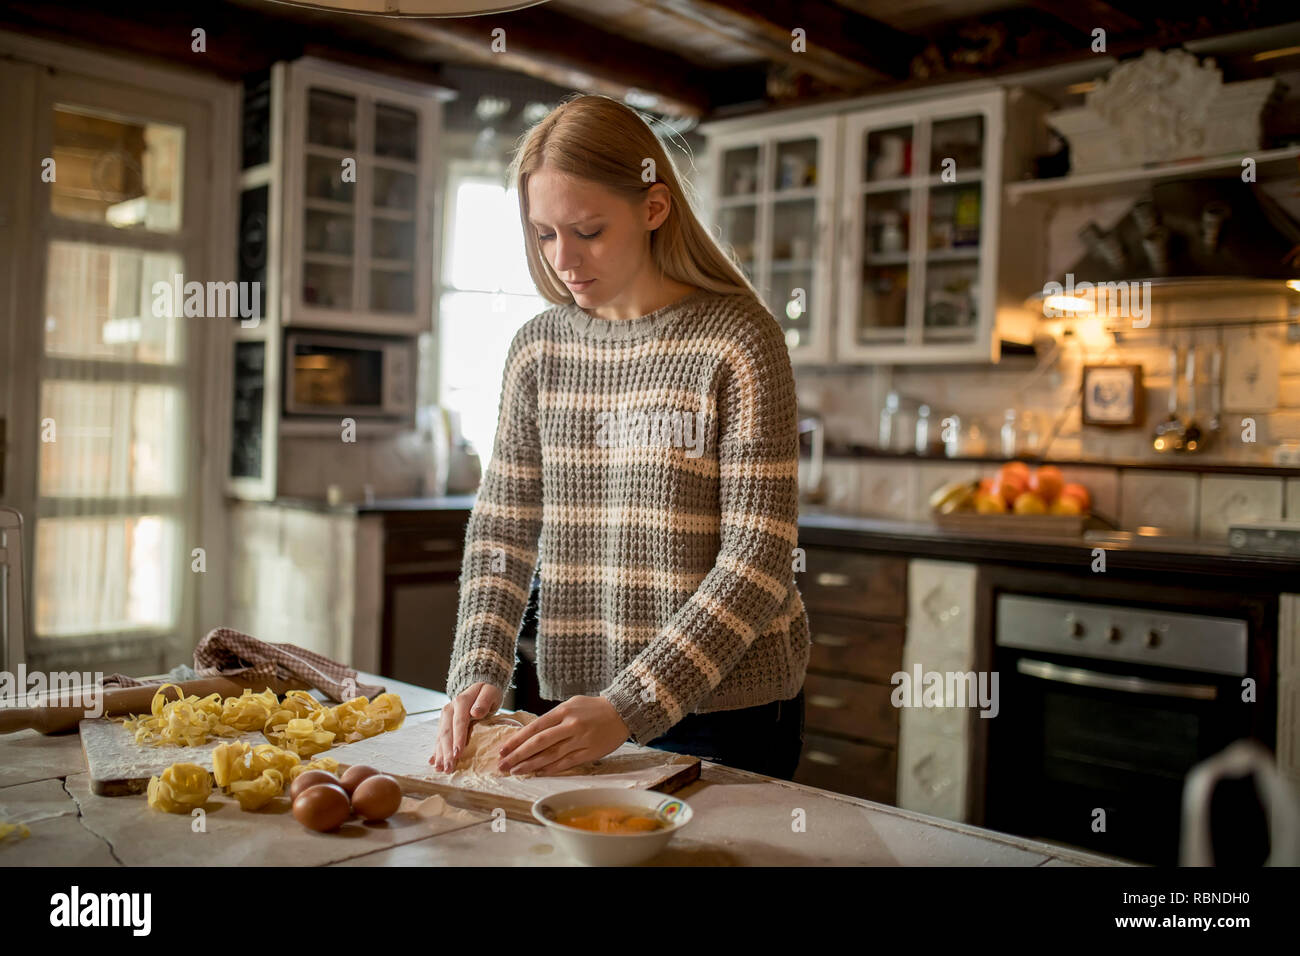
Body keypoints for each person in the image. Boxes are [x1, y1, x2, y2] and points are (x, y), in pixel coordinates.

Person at [430, 93, 808, 782]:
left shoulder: (740, 342)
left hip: (727, 713)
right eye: (544, 234)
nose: (563, 260)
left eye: (588, 231)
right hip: (580, 709)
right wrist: (478, 662)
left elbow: (758, 557)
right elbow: (502, 526)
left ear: (654, 208)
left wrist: (630, 704)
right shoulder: (539, 349)